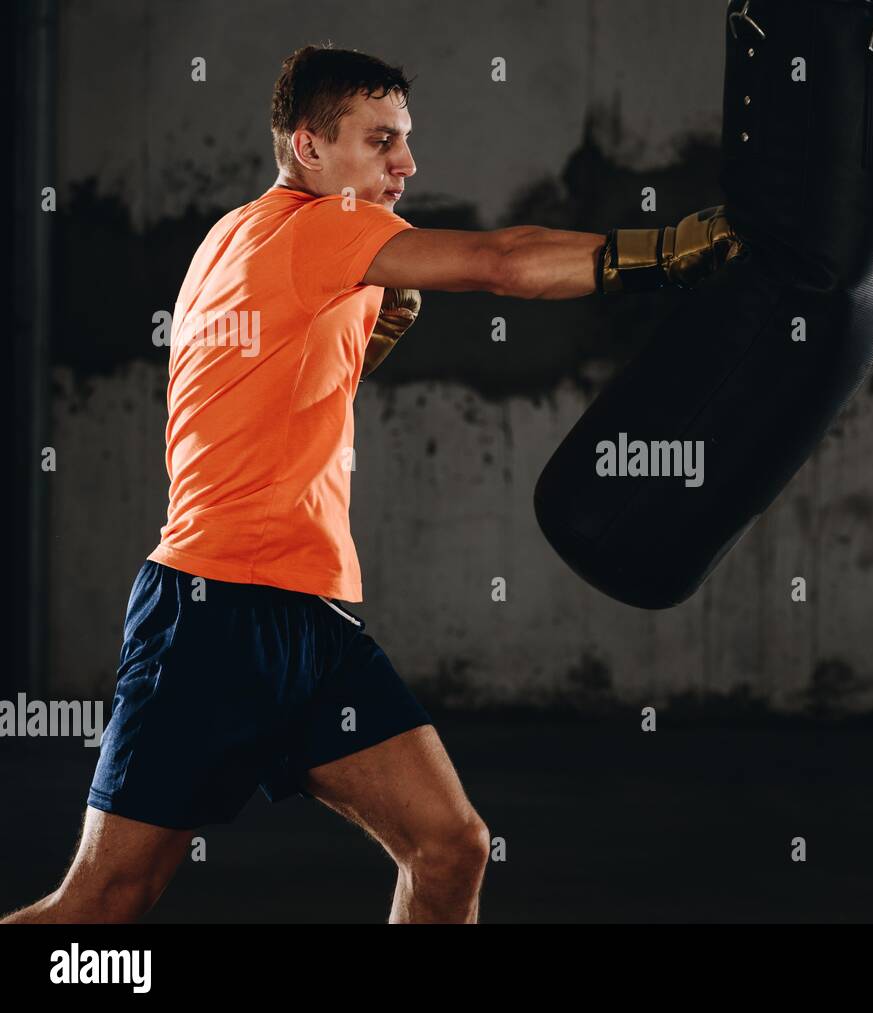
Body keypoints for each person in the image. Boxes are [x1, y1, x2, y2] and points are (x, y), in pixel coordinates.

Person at [2, 44, 739, 925]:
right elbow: (506, 261)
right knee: (101, 905)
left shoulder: (229, 236)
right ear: (310, 148)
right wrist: (668, 251)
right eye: (380, 139)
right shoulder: (330, 228)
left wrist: (354, 348)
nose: (406, 163)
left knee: (449, 845)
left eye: (407, 138)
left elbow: (250, 390)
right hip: (212, 616)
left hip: (306, 618)